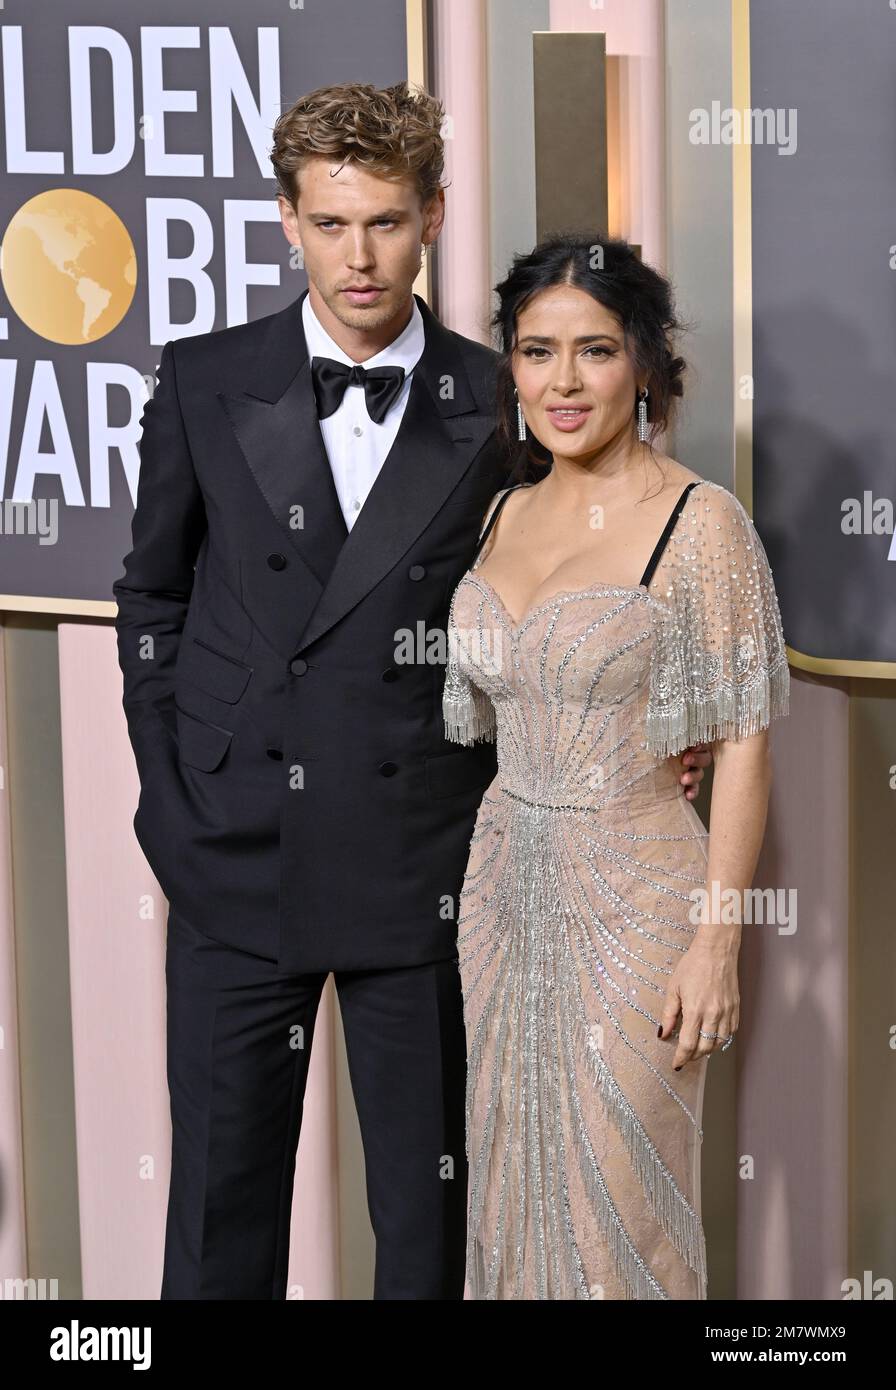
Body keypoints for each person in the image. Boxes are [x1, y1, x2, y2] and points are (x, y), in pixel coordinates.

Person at [113, 83, 711, 1300]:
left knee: (429, 1223)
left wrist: (646, 722)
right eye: (330, 223)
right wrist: (169, 803)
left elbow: (596, 555)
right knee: (218, 1218)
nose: (359, 256)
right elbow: (153, 603)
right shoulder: (203, 377)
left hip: (426, 861)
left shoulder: (500, 397)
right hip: (234, 856)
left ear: (432, 213)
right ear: (286, 221)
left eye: (384, 221)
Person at [444, 234, 790, 1299]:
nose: (561, 380)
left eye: (591, 351)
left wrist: (713, 943)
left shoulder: (698, 524)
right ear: (509, 366)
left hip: (638, 900)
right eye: (536, 351)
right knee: (506, 1175)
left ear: (641, 363)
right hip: (502, 891)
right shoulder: (503, 506)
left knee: (619, 1198)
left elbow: (739, 741)